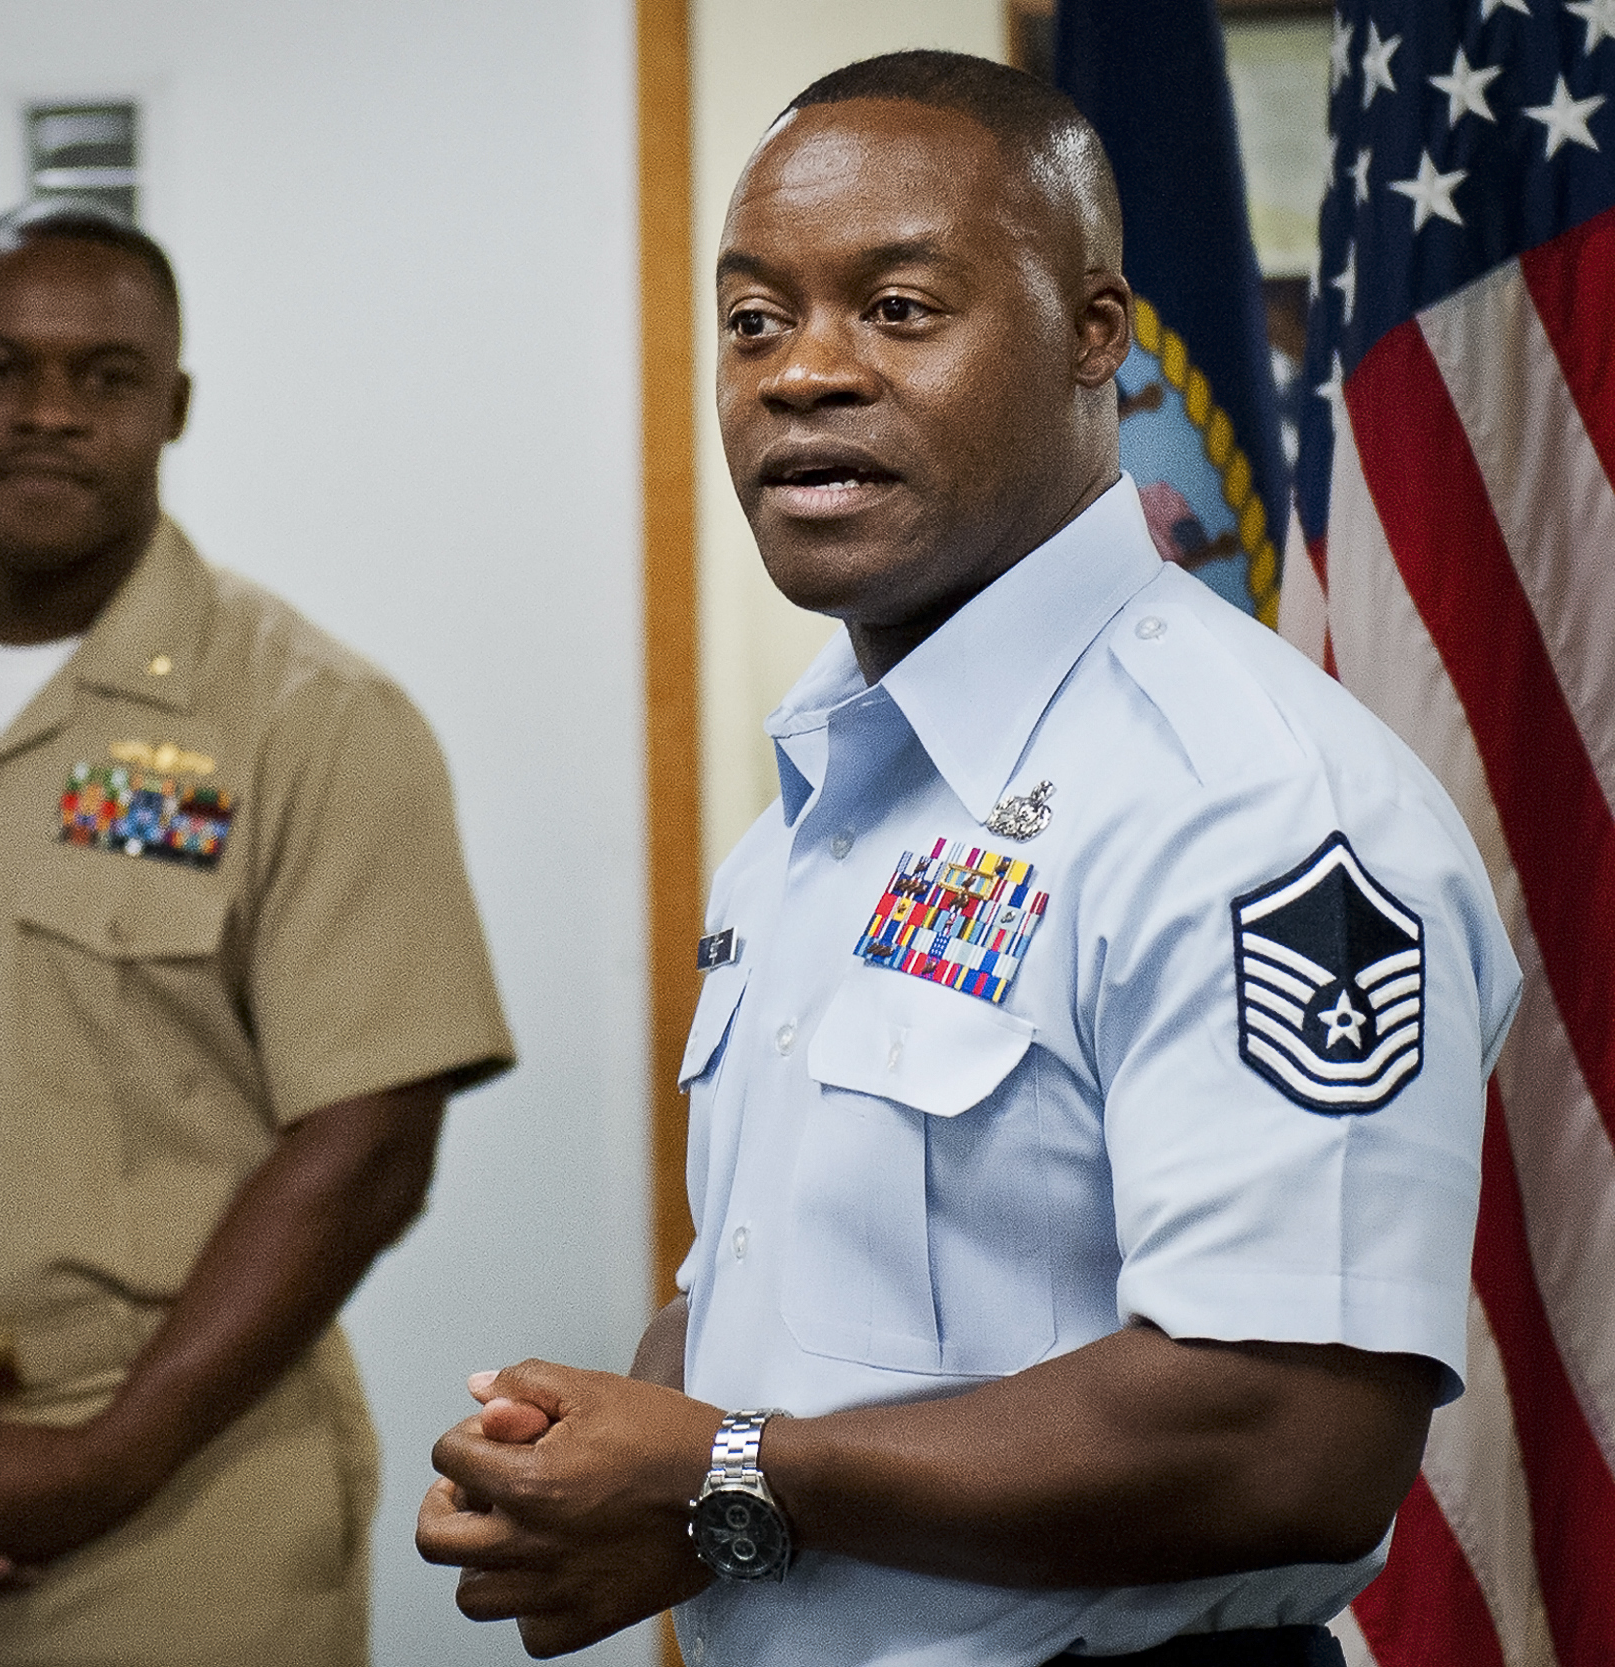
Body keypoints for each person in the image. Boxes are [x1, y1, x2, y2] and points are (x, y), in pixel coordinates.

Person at [416, 50, 1519, 1667]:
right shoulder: (825, 803)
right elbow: (820, 1300)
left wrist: (720, 1475)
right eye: (754, 321)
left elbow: (1285, 1438)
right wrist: (602, 1456)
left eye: (900, 309)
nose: (803, 374)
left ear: (1094, 336)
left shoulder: (1250, 805)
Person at [0, 197, 514, 1666]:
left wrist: (109, 1459)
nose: (47, 414)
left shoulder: (313, 721)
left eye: (105, 377)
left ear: (173, 407)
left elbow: (371, 1140)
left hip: (184, 1498)